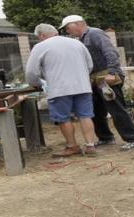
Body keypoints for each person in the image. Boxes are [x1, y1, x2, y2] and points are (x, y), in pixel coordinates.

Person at [60, 14, 134, 150]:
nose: (67, 32)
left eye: (68, 28)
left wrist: (112, 72)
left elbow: (111, 52)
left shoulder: (95, 33)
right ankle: (105, 137)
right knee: (95, 111)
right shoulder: (82, 39)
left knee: (116, 109)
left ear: (77, 24)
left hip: (107, 78)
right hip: (96, 80)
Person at [24, 23, 99, 157]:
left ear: (41, 35)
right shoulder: (76, 43)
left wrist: (37, 84)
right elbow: (90, 65)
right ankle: (90, 145)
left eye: (38, 37)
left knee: (63, 118)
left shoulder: (40, 47)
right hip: (82, 86)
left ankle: (72, 146)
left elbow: (31, 72)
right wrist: (81, 77)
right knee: (85, 115)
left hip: (59, 88)